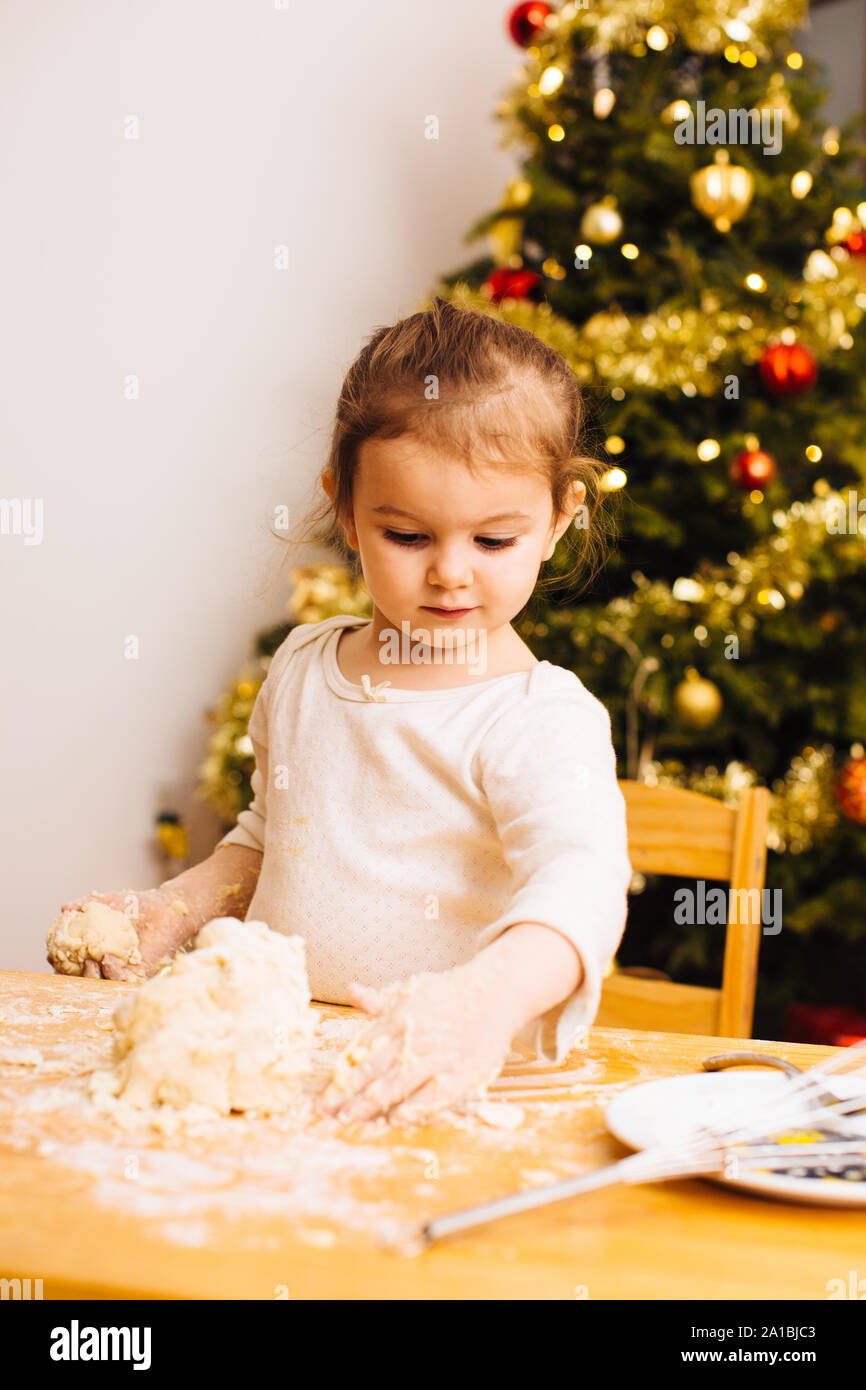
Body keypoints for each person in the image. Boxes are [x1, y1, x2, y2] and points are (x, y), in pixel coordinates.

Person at [58, 296, 632, 1124]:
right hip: (287, 1071)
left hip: (458, 1091)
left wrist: (485, 1000)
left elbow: (580, 886)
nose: (450, 573)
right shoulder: (302, 668)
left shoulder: (537, 718)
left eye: (493, 542)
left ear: (557, 521)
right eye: (407, 535)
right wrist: (167, 912)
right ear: (348, 511)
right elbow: (268, 839)